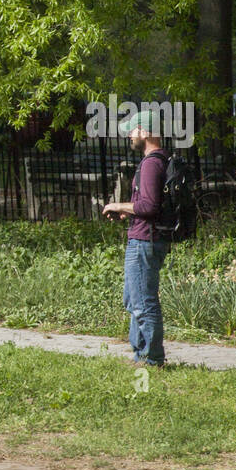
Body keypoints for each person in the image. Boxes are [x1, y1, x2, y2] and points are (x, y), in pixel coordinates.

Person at [101, 108, 170, 366]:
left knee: (143, 302)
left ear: (146, 132)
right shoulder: (158, 160)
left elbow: (149, 207)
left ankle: (151, 359)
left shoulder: (152, 163)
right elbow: (146, 205)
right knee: (134, 299)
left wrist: (118, 205)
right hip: (143, 237)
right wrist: (129, 212)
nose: (130, 135)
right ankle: (140, 354)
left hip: (145, 241)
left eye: (133, 130)